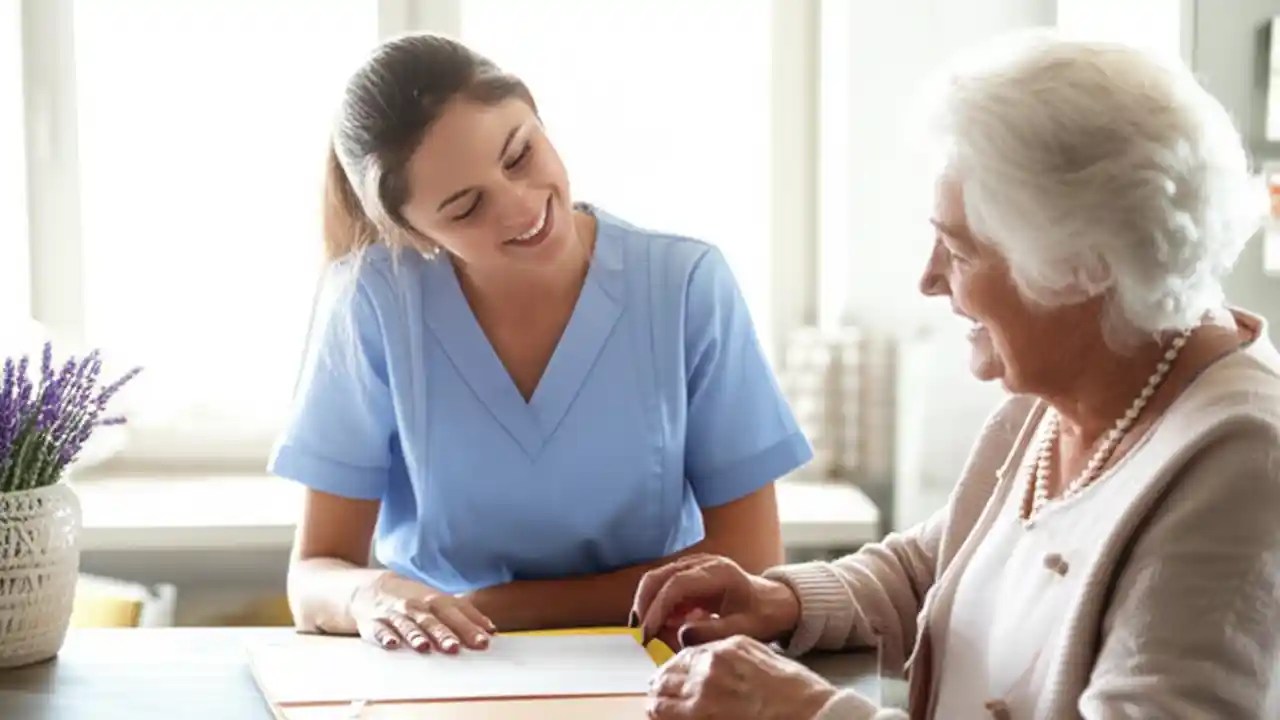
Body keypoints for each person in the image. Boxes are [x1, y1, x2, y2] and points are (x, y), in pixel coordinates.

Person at [634, 31, 1280, 719]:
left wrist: (808, 712)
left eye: (960, 251)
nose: (929, 279)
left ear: (1080, 267)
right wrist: (780, 599)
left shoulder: (1239, 461)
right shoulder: (1086, 384)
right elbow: (933, 566)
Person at [268, 33, 811, 654]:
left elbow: (750, 560)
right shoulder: (372, 302)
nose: (520, 208)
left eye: (519, 155)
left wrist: (493, 609)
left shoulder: (685, 285)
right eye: (466, 207)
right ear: (414, 231)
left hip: (654, 661)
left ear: (532, 109)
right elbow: (315, 575)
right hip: (443, 664)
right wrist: (369, 596)